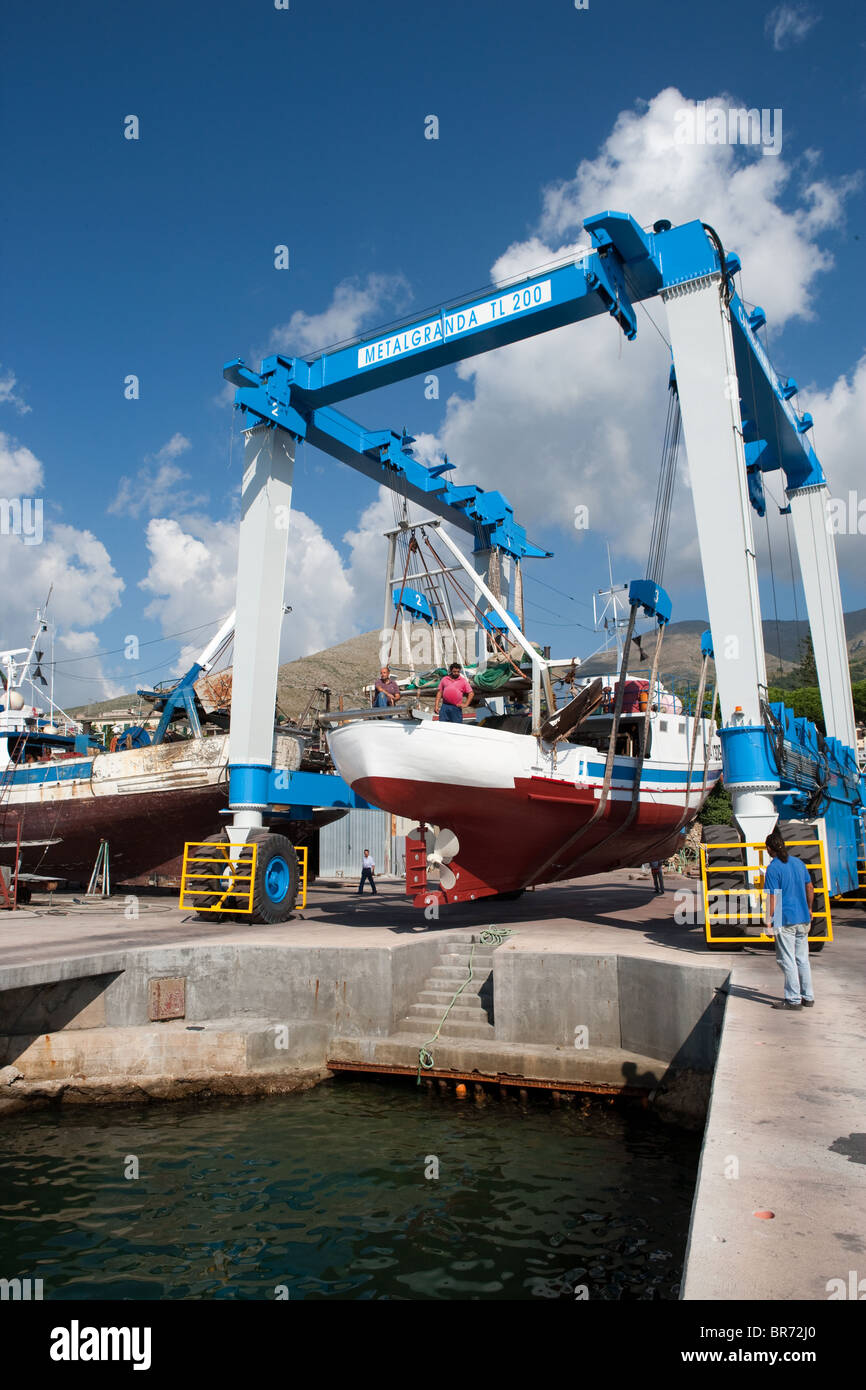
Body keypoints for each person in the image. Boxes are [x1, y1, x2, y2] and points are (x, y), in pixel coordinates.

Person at [763, 827, 815, 1010]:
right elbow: (810, 888)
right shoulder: (799, 864)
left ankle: (793, 999)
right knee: (802, 959)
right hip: (803, 918)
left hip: (784, 919)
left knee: (787, 960)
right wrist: (809, 908)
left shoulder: (773, 868)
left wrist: (768, 921)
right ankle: (808, 997)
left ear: (770, 849)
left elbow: (773, 896)